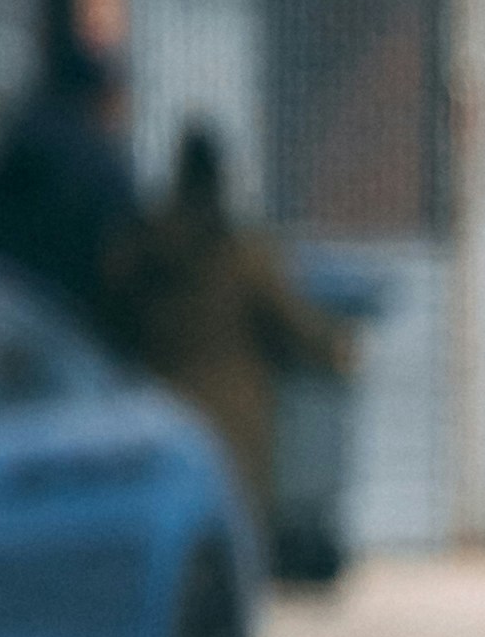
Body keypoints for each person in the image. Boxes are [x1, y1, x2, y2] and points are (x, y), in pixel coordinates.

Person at [99, 122, 353, 528]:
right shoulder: (240, 253)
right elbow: (292, 323)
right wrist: (339, 347)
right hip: (234, 427)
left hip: (160, 415)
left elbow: (110, 318)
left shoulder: (140, 250)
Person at [0, 39, 138, 331]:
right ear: (96, 95)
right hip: (69, 320)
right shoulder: (98, 160)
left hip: (3, 306)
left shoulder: (26, 138)